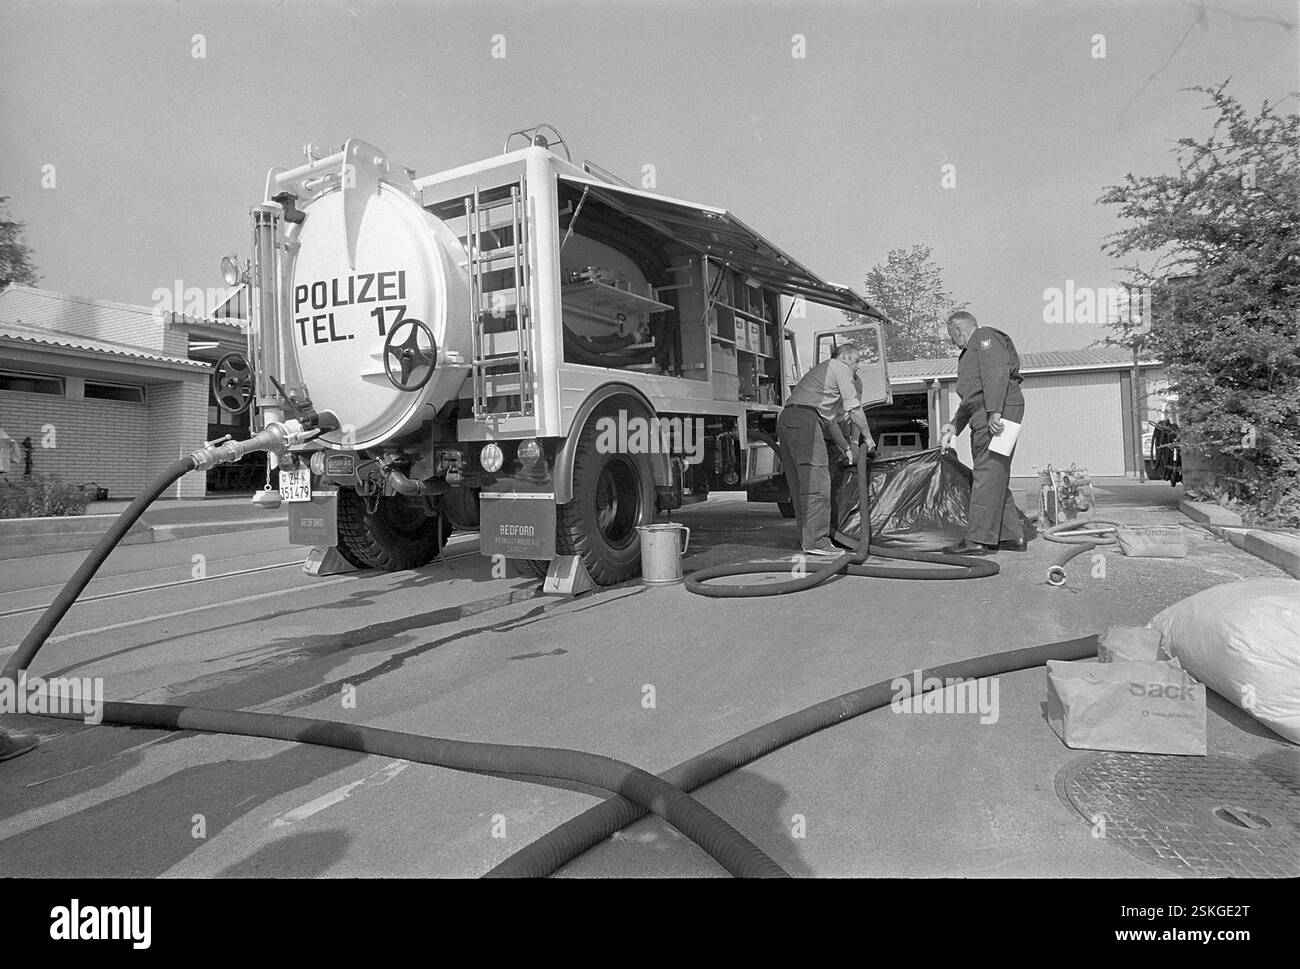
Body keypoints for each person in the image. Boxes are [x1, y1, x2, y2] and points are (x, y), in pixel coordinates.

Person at [937, 311, 1027, 555]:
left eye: (951, 335)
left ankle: (977, 539)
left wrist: (995, 412)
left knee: (986, 476)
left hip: (994, 415)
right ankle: (1011, 535)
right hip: (985, 414)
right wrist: (954, 426)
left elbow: (995, 373)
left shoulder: (984, 337)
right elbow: (971, 398)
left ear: (957, 329)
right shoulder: (971, 351)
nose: (952, 341)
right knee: (995, 475)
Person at [778, 344, 877, 555]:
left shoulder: (823, 377)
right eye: (857, 361)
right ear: (845, 357)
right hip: (806, 422)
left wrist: (847, 447)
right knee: (817, 484)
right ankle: (817, 542)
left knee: (801, 485)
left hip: (788, 419)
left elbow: (830, 423)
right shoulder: (840, 368)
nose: (857, 366)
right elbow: (854, 408)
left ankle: (806, 539)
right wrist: (868, 438)